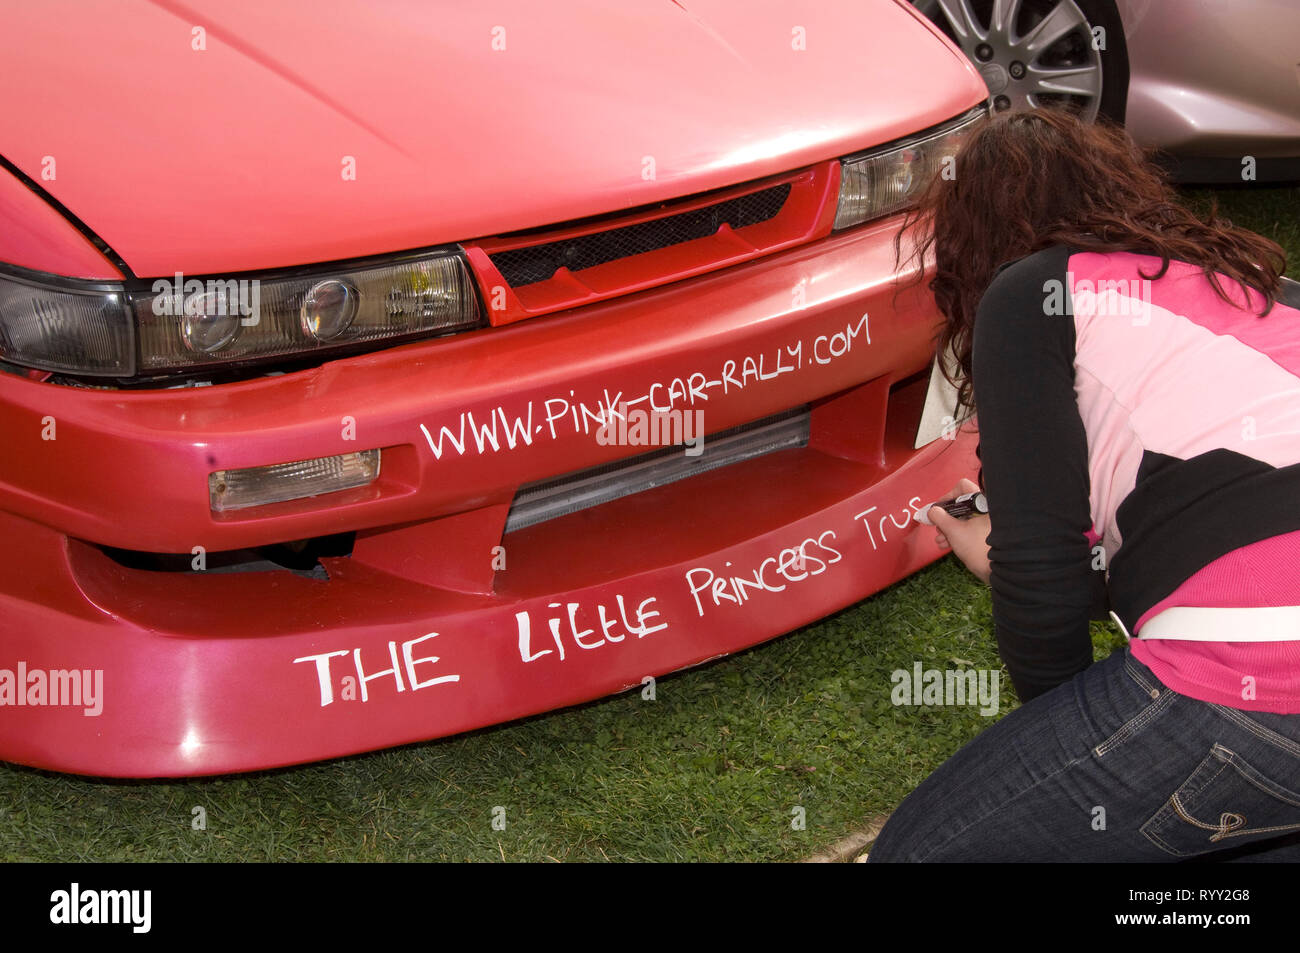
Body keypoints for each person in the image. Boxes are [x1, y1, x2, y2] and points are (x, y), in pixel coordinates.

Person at [868, 109, 1300, 862]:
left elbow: (1045, 575)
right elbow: (1216, 519)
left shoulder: (1033, 290)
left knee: (917, 852)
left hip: (1259, 671)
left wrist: (1070, 727)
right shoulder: (1271, 288)